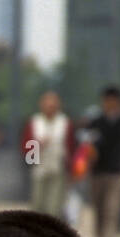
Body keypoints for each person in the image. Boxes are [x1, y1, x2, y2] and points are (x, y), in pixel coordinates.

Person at [87, 86, 120, 237]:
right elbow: (87, 146)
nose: (110, 104)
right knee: (99, 210)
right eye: (107, 100)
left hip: (116, 172)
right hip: (97, 172)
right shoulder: (95, 122)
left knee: (112, 209)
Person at [21, 90, 75, 219]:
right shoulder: (34, 122)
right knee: (37, 205)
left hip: (58, 169)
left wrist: (71, 170)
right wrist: (38, 144)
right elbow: (26, 150)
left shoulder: (65, 123)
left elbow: (71, 147)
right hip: (39, 169)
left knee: (54, 207)